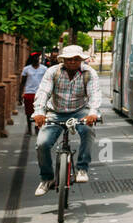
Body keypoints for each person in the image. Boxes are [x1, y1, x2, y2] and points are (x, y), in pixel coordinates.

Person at [31, 45, 101, 196]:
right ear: (63, 60)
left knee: (88, 131)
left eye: (76, 59)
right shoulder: (53, 72)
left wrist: (93, 113)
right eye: (69, 59)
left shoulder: (89, 73)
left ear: (81, 60)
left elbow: (94, 94)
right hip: (55, 112)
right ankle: (47, 178)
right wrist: (39, 112)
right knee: (42, 143)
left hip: (79, 111)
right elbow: (43, 92)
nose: (72, 62)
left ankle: (82, 168)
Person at [20, 53, 47, 133]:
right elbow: (22, 82)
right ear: (31, 59)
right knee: (29, 113)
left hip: (40, 93)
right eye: (34, 58)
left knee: (39, 112)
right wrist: (20, 95)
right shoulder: (26, 69)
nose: (36, 59)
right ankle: (29, 129)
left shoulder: (44, 69)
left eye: (37, 58)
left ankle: (37, 127)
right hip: (29, 93)